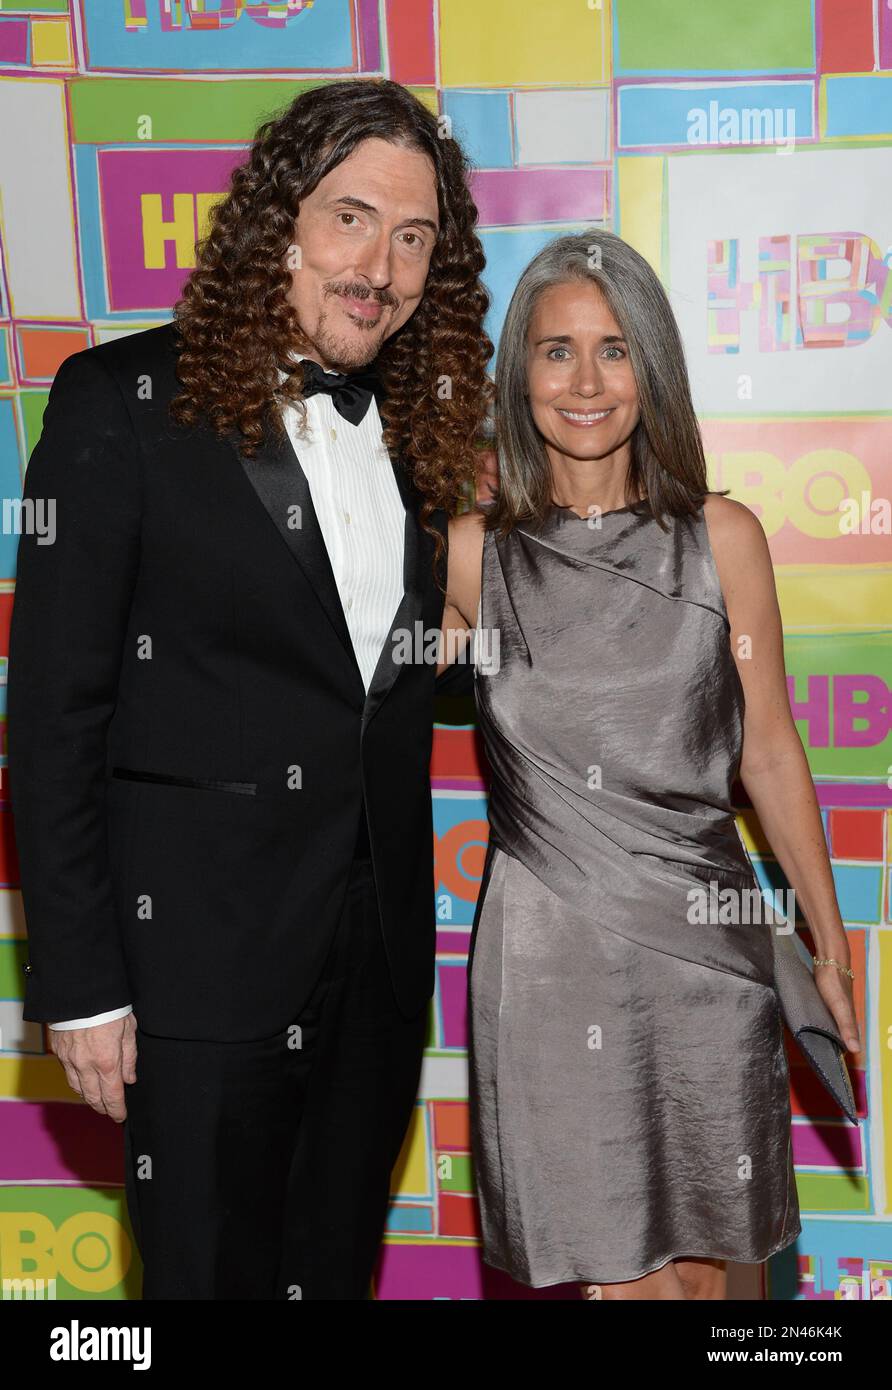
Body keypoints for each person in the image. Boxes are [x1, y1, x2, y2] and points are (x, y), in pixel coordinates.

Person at [8, 78, 491, 1300]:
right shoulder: (120, 404)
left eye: (415, 237)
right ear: (279, 221)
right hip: (196, 971)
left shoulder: (426, 440)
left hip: (376, 968)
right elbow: (52, 718)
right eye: (351, 218)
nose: (378, 263)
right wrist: (80, 983)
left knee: (330, 1278)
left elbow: (390, 679)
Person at [439, 230, 860, 1301]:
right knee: (607, 1278)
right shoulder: (469, 555)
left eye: (615, 350)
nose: (585, 382)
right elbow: (337, 705)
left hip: (705, 952)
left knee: (719, 1274)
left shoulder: (722, 540)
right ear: (516, 375)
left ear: (653, 369)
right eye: (556, 351)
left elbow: (766, 744)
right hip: (547, 958)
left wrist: (826, 932)